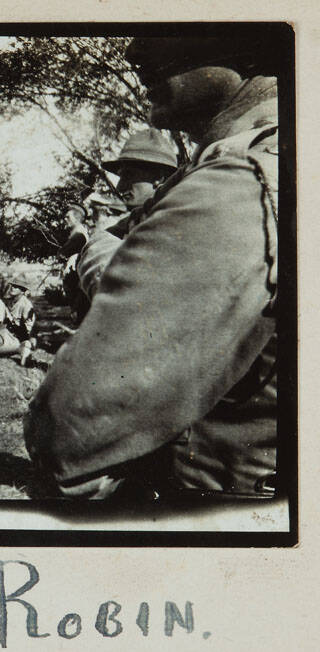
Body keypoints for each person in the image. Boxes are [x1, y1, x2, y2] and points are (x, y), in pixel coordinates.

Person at [24, 36, 279, 499]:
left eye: (164, 27)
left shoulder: (236, 185)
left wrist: (94, 244)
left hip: (215, 519)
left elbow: (70, 429)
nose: (132, 53)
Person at [77, 130, 179, 301]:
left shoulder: (179, 220)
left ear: (159, 178)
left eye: (129, 175)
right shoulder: (126, 224)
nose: (120, 186)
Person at [1, 272, 37, 367]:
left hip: (19, 336)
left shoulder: (26, 305)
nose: (13, 288)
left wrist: (28, 342)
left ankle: (23, 350)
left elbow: (30, 329)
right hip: (8, 331)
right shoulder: (10, 301)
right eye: (13, 285)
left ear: (22, 291)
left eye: (17, 287)